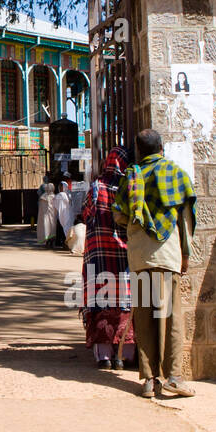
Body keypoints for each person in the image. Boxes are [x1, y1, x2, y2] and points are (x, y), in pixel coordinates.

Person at [114, 129, 196, 399]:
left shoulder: (132, 176)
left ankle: (149, 380)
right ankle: (173, 377)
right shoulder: (175, 174)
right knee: (170, 317)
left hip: (140, 256)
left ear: (139, 150)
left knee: (145, 317)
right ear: (161, 147)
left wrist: (140, 224)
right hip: (167, 254)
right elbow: (185, 219)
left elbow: (119, 216)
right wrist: (185, 253)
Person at [79, 145, 137, 369]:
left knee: (101, 300)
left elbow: (86, 213)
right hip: (124, 252)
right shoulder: (128, 186)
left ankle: (103, 355)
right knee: (125, 300)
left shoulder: (97, 186)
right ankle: (125, 354)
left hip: (98, 252)